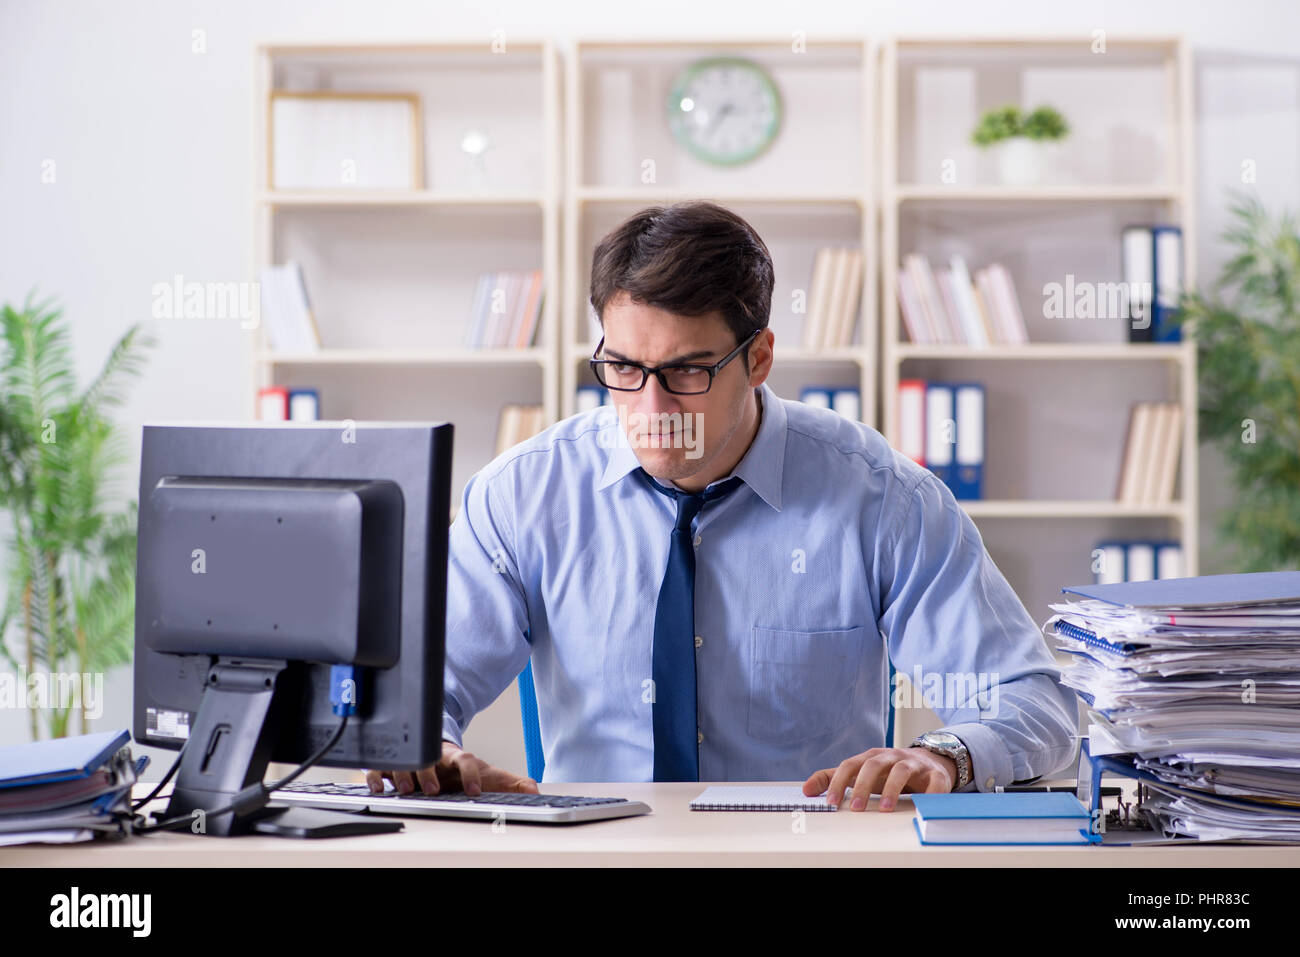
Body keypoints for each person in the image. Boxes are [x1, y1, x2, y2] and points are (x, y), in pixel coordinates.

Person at [366, 201, 1077, 811]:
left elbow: (1034, 701)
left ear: (759, 358)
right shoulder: (525, 495)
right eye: (622, 368)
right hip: (595, 853)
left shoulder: (881, 497)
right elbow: (418, 690)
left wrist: (945, 756)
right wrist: (429, 746)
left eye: (686, 371)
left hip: (800, 856)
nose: (649, 407)